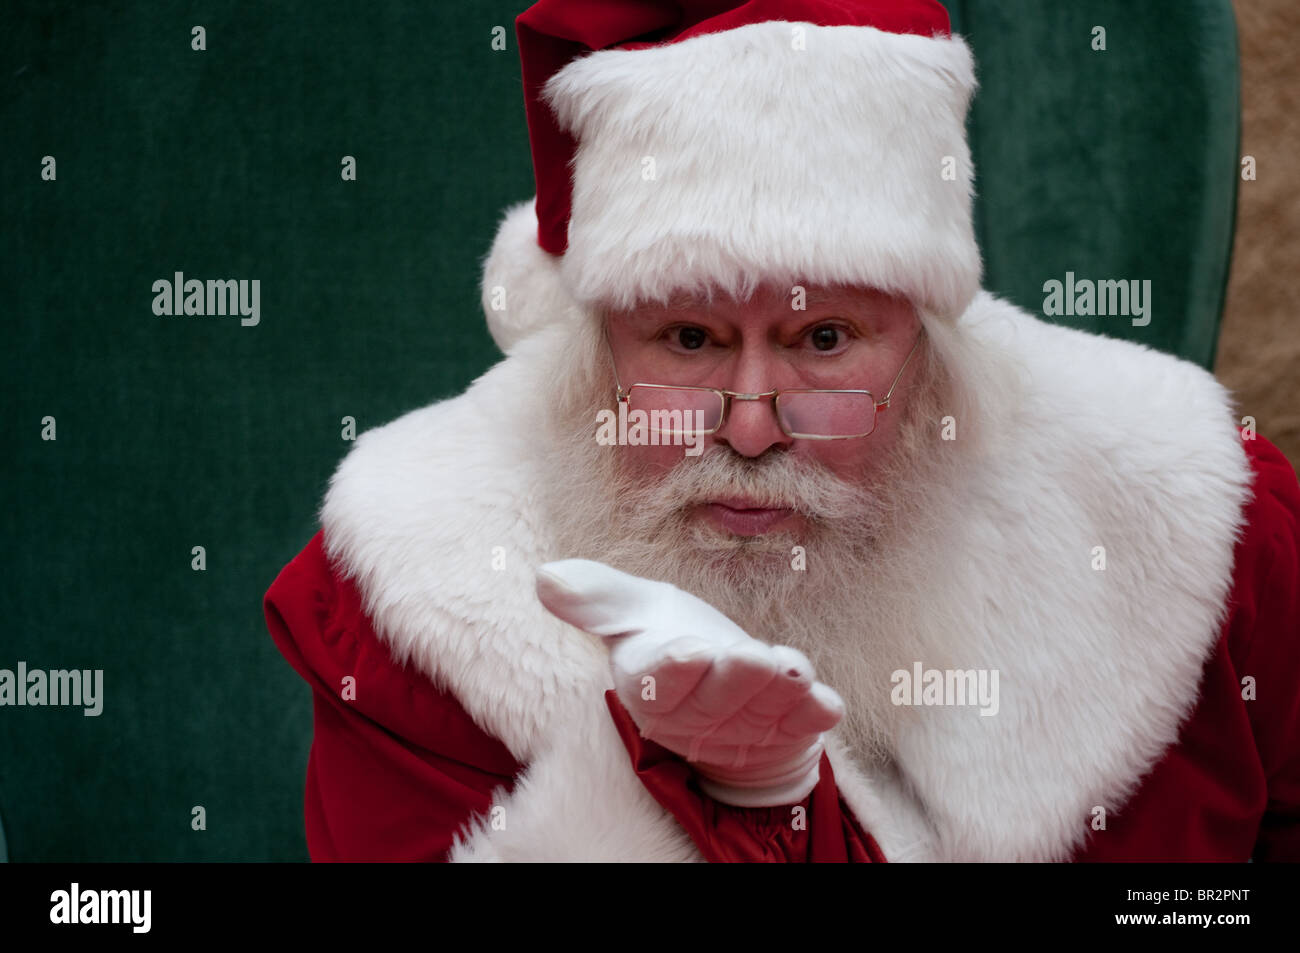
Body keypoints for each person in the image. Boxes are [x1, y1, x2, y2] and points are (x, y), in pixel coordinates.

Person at [263, 0, 1300, 862]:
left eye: (825, 337)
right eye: (687, 336)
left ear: (929, 347)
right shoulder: (411, 599)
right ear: (594, 353)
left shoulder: (1194, 519)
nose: (750, 429)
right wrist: (713, 801)